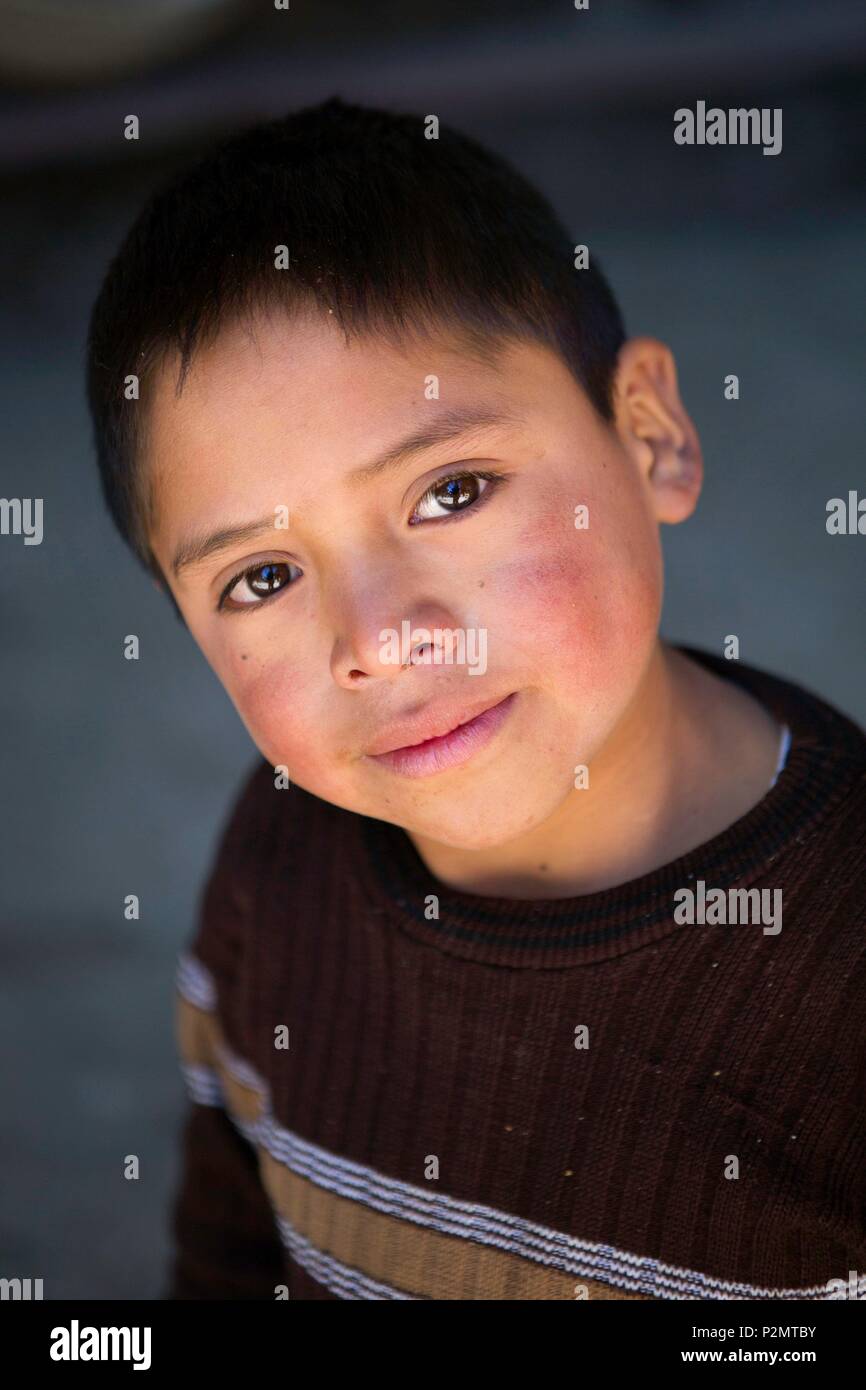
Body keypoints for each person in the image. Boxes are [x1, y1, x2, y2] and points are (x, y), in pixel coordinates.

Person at [85, 97, 866, 1300]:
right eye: (265, 577)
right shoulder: (278, 856)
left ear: (647, 432)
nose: (381, 638)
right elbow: (229, 1243)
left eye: (451, 492)